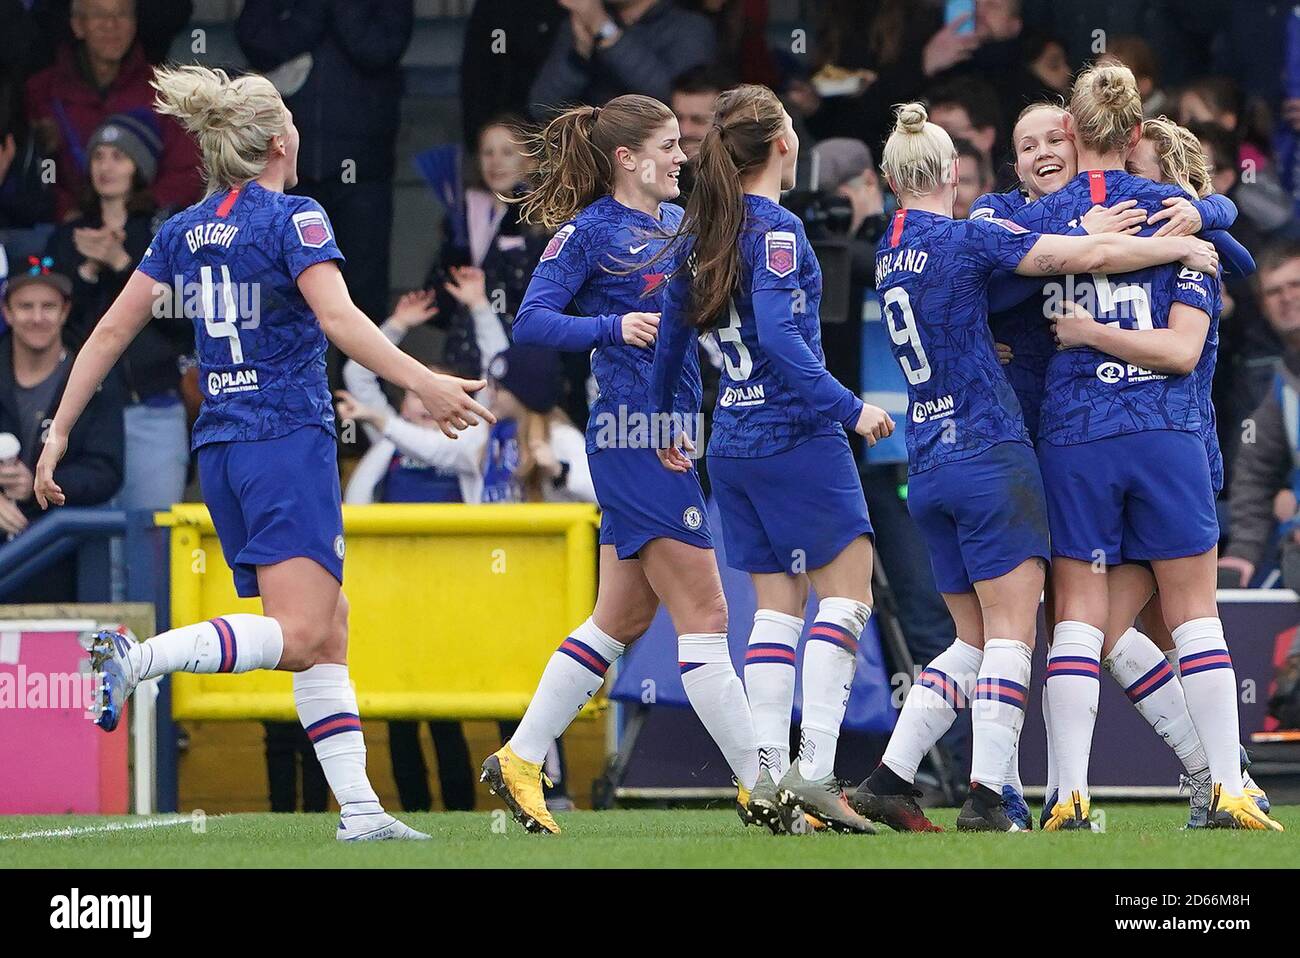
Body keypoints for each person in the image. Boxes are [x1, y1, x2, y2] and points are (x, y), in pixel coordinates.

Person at [32, 64, 491, 841]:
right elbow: (341, 322)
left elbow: (108, 332)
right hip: (285, 441)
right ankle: (137, 660)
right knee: (305, 631)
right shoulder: (296, 219)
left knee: (328, 624)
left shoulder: (181, 228)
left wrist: (59, 432)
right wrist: (428, 381)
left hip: (220, 449)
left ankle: (362, 812)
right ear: (280, 140)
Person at [851, 102, 1218, 833]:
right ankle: (997, 796)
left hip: (936, 453)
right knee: (1028, 633)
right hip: (1006, 449)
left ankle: (895, 779)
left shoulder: (900, 244)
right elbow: (1062, 259)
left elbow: (1031, 267)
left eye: (1058, 138)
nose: (1045, 151)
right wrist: (1170, 244)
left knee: (996, 637)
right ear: (974, 167)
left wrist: (1211, 214)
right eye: (1028, 143)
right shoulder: (981, 226)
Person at [1004, 63, 1281, 831]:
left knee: (1079, 619)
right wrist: (1198, 218)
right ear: (1134, 133)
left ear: (1071, 129)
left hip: (1073, 435)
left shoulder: (1037, 217)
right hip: (1164, 431)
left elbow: (987, 280)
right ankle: (1228, 785)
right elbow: (1240, 260)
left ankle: (1067, 793)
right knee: (1195, 611)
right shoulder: (1175, 209)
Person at [479, 93, 758, 836]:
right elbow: (531, 320)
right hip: (635, 438)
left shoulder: (675, 225)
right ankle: (763, 785)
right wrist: (612, 323)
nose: (681, 158)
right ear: (626, 158)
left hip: (668, 433)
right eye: (668, 145)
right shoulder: (587, 232)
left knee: (623, 616)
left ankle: (520, 757)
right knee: (709, 615)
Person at [650, 84, 893, 834]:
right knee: (847, 600)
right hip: (799, 437)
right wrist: (853, 409)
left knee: (776, 611)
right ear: (784, 144)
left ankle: (764, 779)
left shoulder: (702, 232)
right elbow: (785, 343)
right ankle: (815, 773)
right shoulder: (779, 231)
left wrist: (667, 417)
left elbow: (668, 335)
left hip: (735, 443)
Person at [236, 0, 414, 331]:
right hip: (288, 168)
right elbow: (257, 41)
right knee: (282, 286)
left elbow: (378, 49)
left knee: (363, 291)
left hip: (363, 167)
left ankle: (360, 383)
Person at [45, 112, 191, 514]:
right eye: (98, 157)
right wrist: (89, 272)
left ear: (139, 168)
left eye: (119, 157)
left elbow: (185, 316)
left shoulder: (166, 230)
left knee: (152, 540)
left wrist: (122, 262)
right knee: (96, 551)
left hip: (153, 408)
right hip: (87, 413)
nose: (106, 167)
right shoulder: (68, 236)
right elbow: (55, 329)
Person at [0, 263, 123, 602]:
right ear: (6, 313)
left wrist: (38, 485)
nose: (37, 317)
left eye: (48, 306)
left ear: (65, 310)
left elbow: (107, 472)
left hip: (64, 553)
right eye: (25, 306)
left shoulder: (94, 379)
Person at [23, 0, 202, 218]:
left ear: (135, 24)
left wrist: (144, 207)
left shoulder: (162, 89)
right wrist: (66, 211)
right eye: (99, 15)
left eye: (123, 15)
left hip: (145, 225)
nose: (111, 25)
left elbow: (188, 170)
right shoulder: (42, 91)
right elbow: (37, 172)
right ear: (78, 25)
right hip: (66, 227)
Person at [528, 0, 716, 118]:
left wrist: (604, 30)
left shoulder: (690, 28)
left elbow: (673, 103)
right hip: (592, 157)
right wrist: (579, 56)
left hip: (659, 161)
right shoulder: (583, 22)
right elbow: (541, 108)